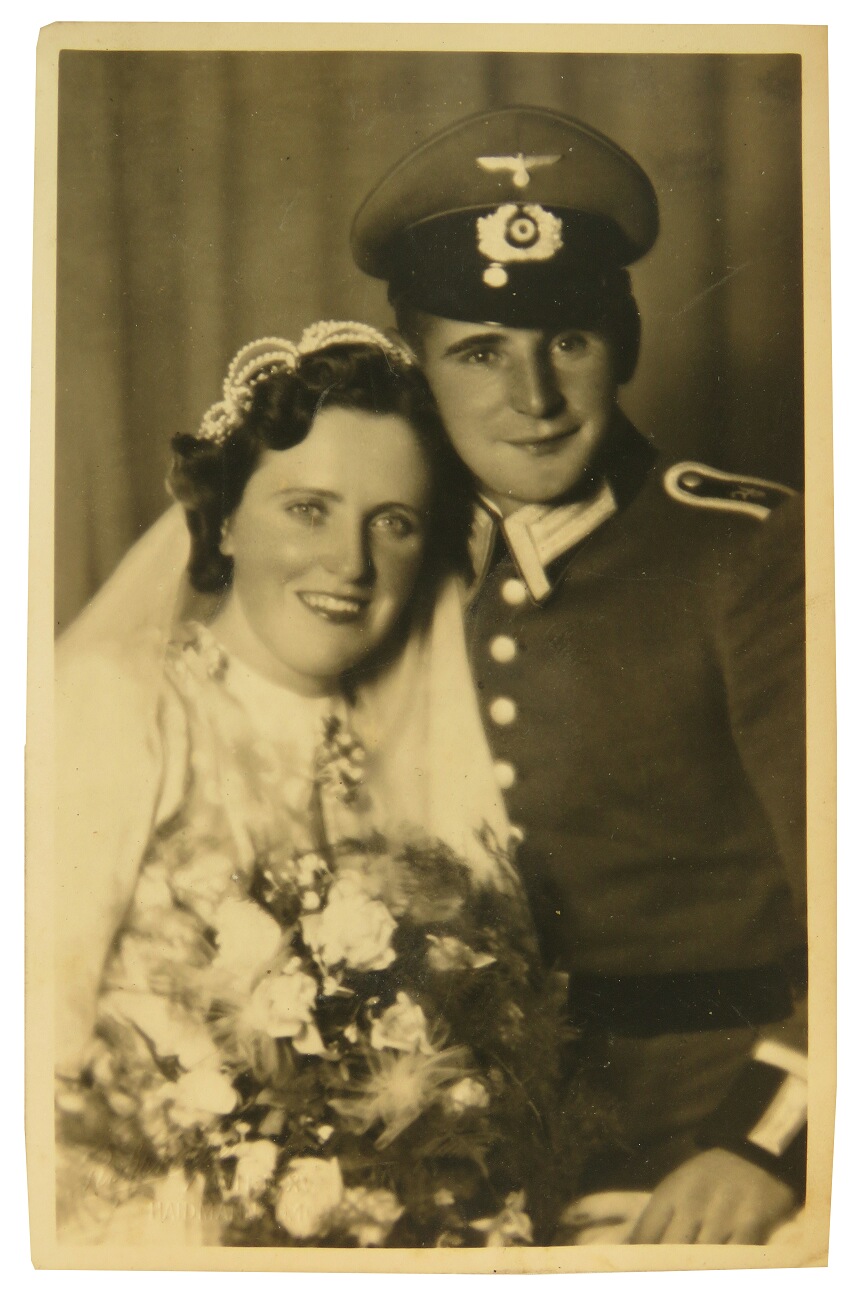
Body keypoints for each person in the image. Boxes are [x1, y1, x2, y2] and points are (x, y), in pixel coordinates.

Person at [351, 106, 808, 1244]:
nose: (533, 396)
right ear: (415, 363)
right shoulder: (387, 562)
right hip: (472, 1141)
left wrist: (768, 1139)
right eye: (477, 352)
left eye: (567, 339)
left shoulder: (748, 553)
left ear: (628, 339)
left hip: (712, 1136)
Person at [53, 322, 594, 1248]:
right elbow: (25, 1026)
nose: (351, 563)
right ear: (223, 517)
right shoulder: (125, 700)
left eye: (393, 522)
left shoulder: (400, 743)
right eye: (308, 508)